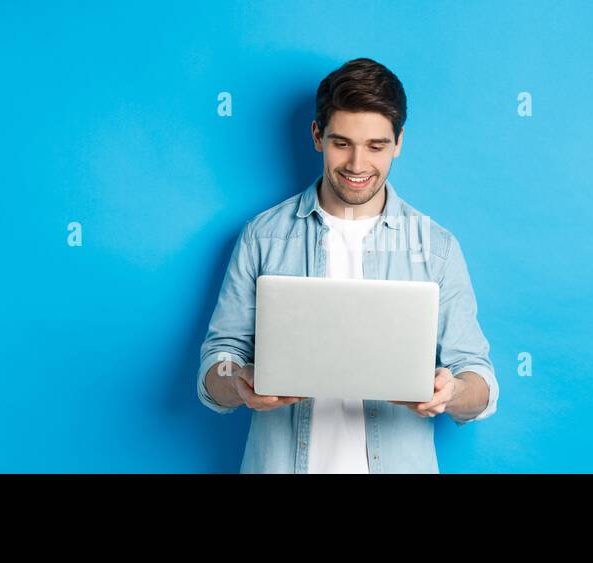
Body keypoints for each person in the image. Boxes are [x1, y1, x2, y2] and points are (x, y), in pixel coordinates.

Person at [196, 58, 498, 473]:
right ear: (317, 135)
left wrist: (452, 390)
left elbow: (479, 383)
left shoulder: (437, 247)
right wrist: (238, 382)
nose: (357, 165)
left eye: (376, 146)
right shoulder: (261, 237)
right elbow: (217, 364)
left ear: (399, 142)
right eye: (342, 143)